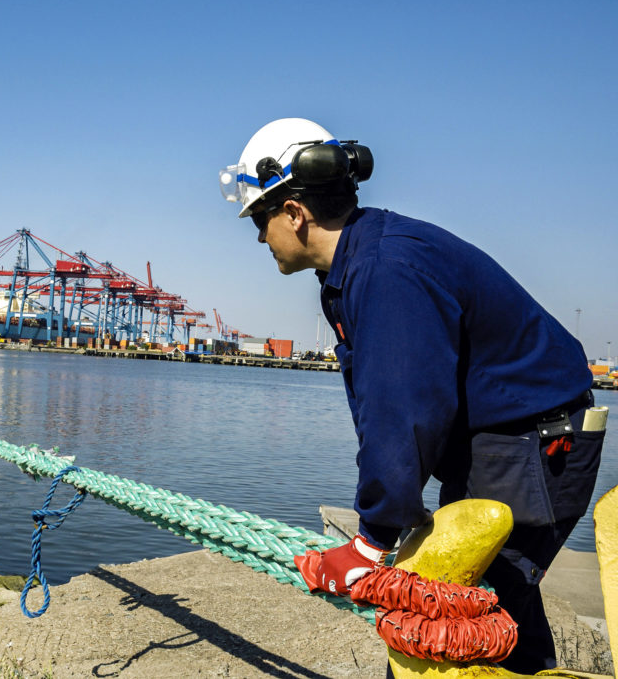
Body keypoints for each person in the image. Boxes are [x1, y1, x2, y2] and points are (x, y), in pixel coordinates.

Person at [218, 118, 605, 674]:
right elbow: (388, 406)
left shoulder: (385, 268)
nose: (259, 237)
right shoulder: (362, 259)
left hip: (533, 442)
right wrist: (386, 518)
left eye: (260, 219)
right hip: (504, 438)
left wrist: (370, 543)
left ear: (294, 214)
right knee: (483, 604)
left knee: (471, 608)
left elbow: (401, 412)